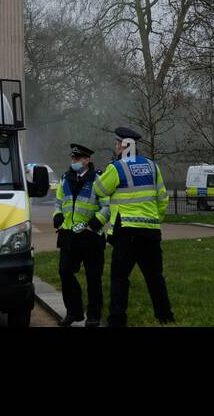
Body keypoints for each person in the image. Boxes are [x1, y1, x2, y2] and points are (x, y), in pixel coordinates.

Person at [92, 126, 175, 326]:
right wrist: (156, 220)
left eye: (117, 143)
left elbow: (100, 189)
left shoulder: (117, 167)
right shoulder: (152, 166)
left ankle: (117, 320)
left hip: (127, 232)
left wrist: (102, 175)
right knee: (155, 276)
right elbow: (162, 199)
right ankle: (165, 316)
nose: (116, 146)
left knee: (120, 278)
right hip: (151, 233)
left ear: (123, 146)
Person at [53, 142, 109, 327]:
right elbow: (58, 202)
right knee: (65, 272)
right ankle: (74, 312)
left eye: (77, 158)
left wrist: (96, 223)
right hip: (68, 235)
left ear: (87, 160)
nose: (74, 161)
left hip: (91, 235)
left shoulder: (99, 178)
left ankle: (93, 315)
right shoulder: (65, 178)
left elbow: (107, 205)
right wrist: (58, 217)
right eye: (72, 158)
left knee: (93, 277)